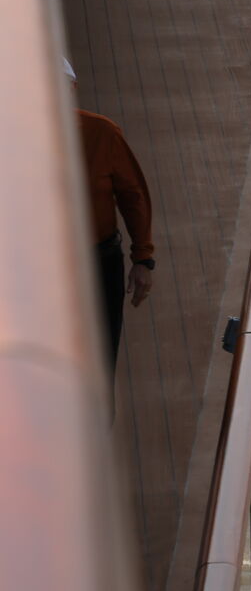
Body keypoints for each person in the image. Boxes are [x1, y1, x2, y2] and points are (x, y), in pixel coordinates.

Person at [69, 59, 155, 370]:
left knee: (100, 357)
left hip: (99, 262)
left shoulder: (102, 133)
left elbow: (133, 196)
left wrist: (143, 259)